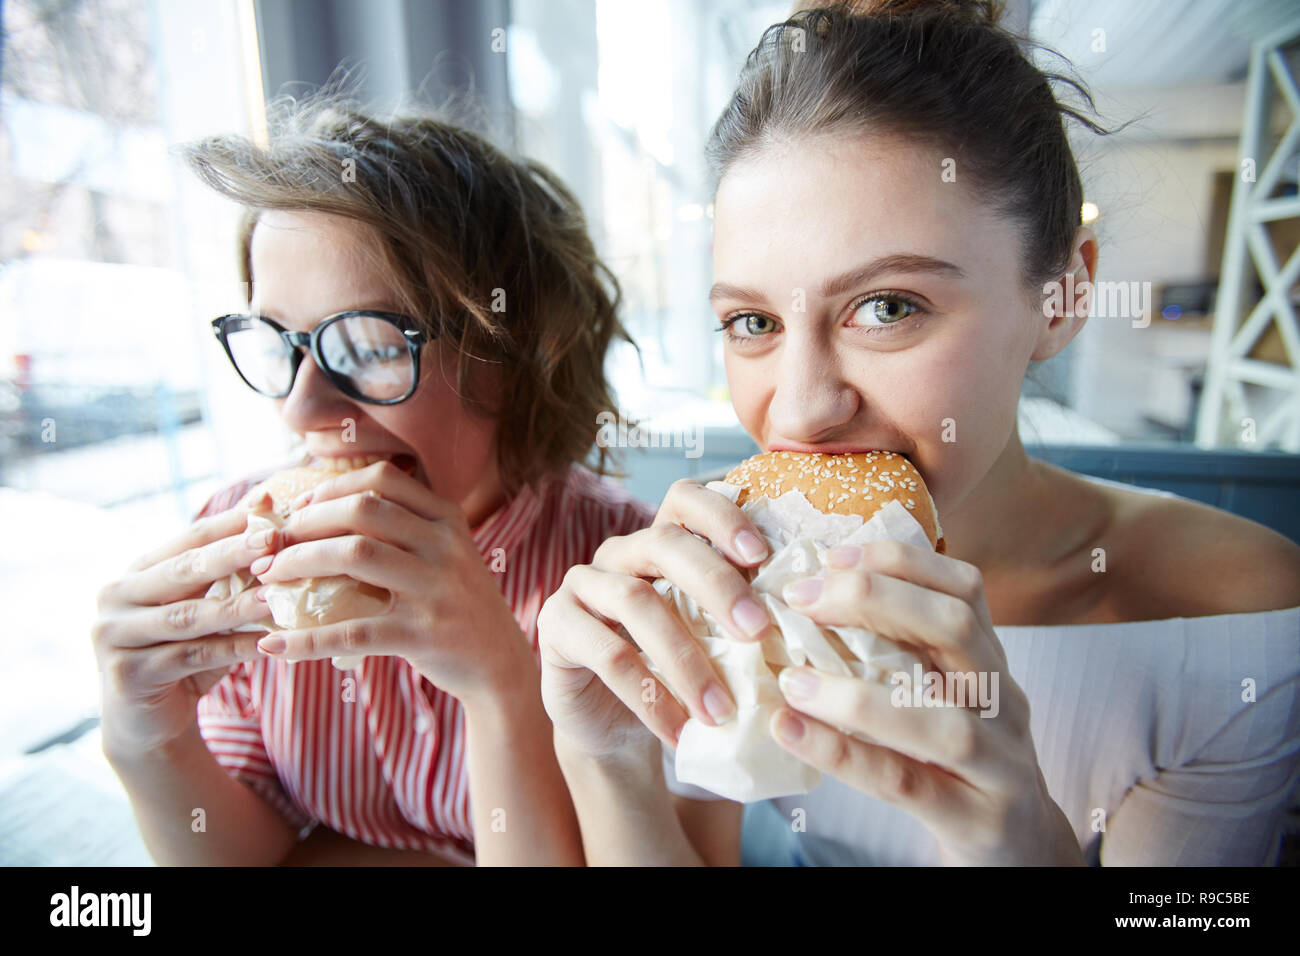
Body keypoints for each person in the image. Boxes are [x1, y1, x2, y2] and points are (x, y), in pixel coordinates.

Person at [536, 0, 1300, 866]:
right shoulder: (722, 582)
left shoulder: (1234, 612)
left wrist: (1024, 850)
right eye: (752, 322)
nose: (796, 413)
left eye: (887, 307)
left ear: (1062, 296)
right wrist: (605, 756)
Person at [91, 94, 652, 865]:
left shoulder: (623, 567)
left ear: (520, 355)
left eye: (367, 342)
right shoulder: (241, 535)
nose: (302, 409)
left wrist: (500, 688)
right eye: (278, 341)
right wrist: (146, 742)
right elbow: (248, 851)